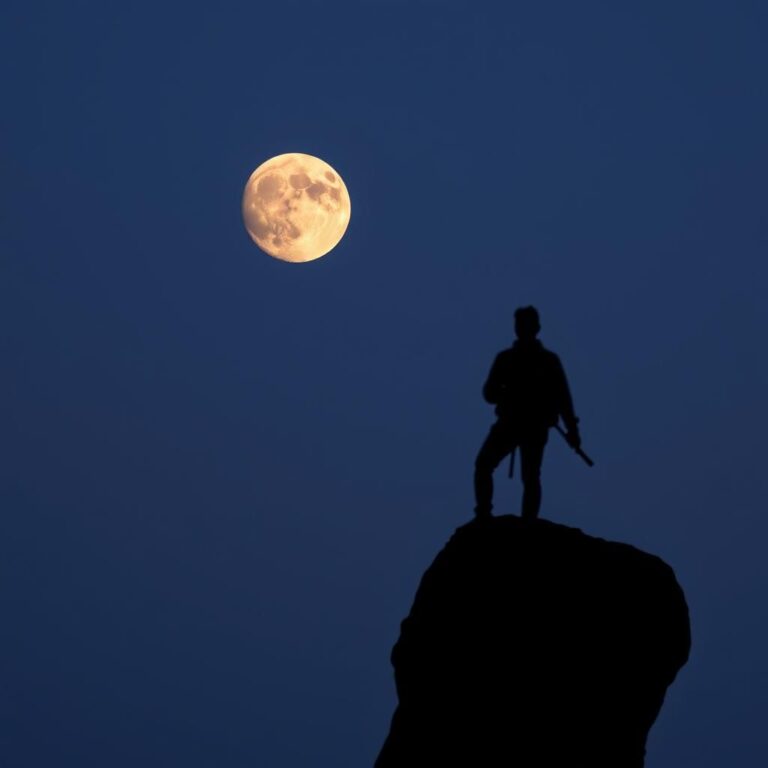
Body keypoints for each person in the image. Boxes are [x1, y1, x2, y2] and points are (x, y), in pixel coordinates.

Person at [474, 306, 581, 520]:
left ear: (536, 328)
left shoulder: (548, 361)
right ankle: (486, 514)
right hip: (513, 423)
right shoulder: (507, 359)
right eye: (520, 324)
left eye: (525, 324)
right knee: (486, 465)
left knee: (529, 475)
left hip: (532, 425)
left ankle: (526, 522)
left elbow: (563, 399)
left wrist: (573, 430)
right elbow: (489, 393)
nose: (522, 329)